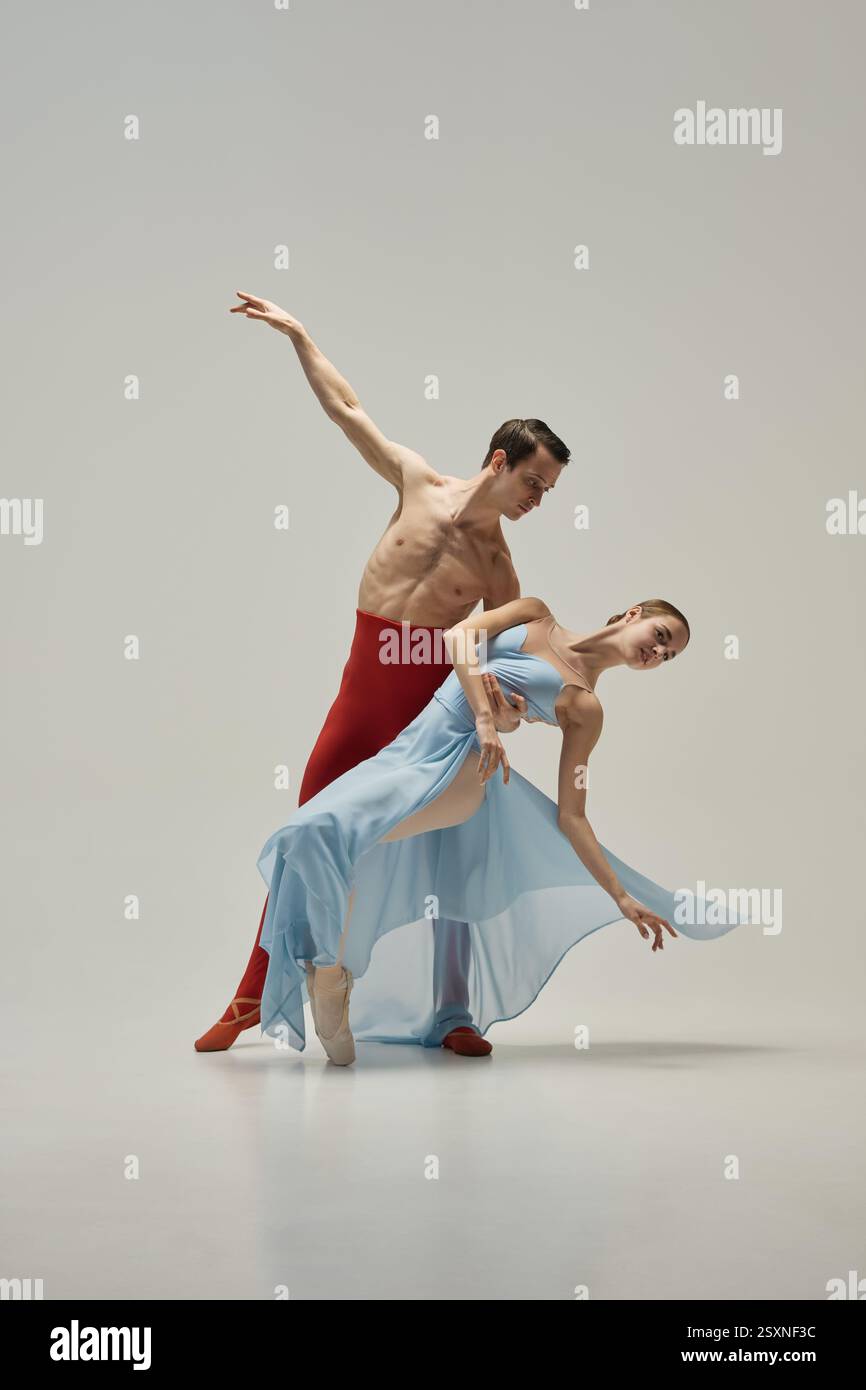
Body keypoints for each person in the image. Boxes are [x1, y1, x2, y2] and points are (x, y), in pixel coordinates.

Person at [194, 291, 570, 1056]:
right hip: (361, 700)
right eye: (533, 483)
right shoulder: (416, 482)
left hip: (428, 717)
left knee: (453, 855)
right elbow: (348, 408)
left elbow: (507, 647)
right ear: (500, 462)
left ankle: (453, 1012)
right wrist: (299, 333)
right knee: (305, 839)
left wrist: (508, 709)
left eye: (547, 493)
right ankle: (247, 998)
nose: (537, 500)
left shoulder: (499, 564)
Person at [255, 596, 739, 1066]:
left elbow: (573, 815)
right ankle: (332, 972)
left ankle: (330, 975)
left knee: (339, 835)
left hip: (464, 770)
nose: (656, 653)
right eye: (659, 636)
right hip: (410, 750)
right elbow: (460, 637)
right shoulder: (535, 614)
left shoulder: (586, 708)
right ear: (634, 614)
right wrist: (489, 715)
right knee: (310, 832)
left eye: (666, 656)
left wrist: (620, 895)